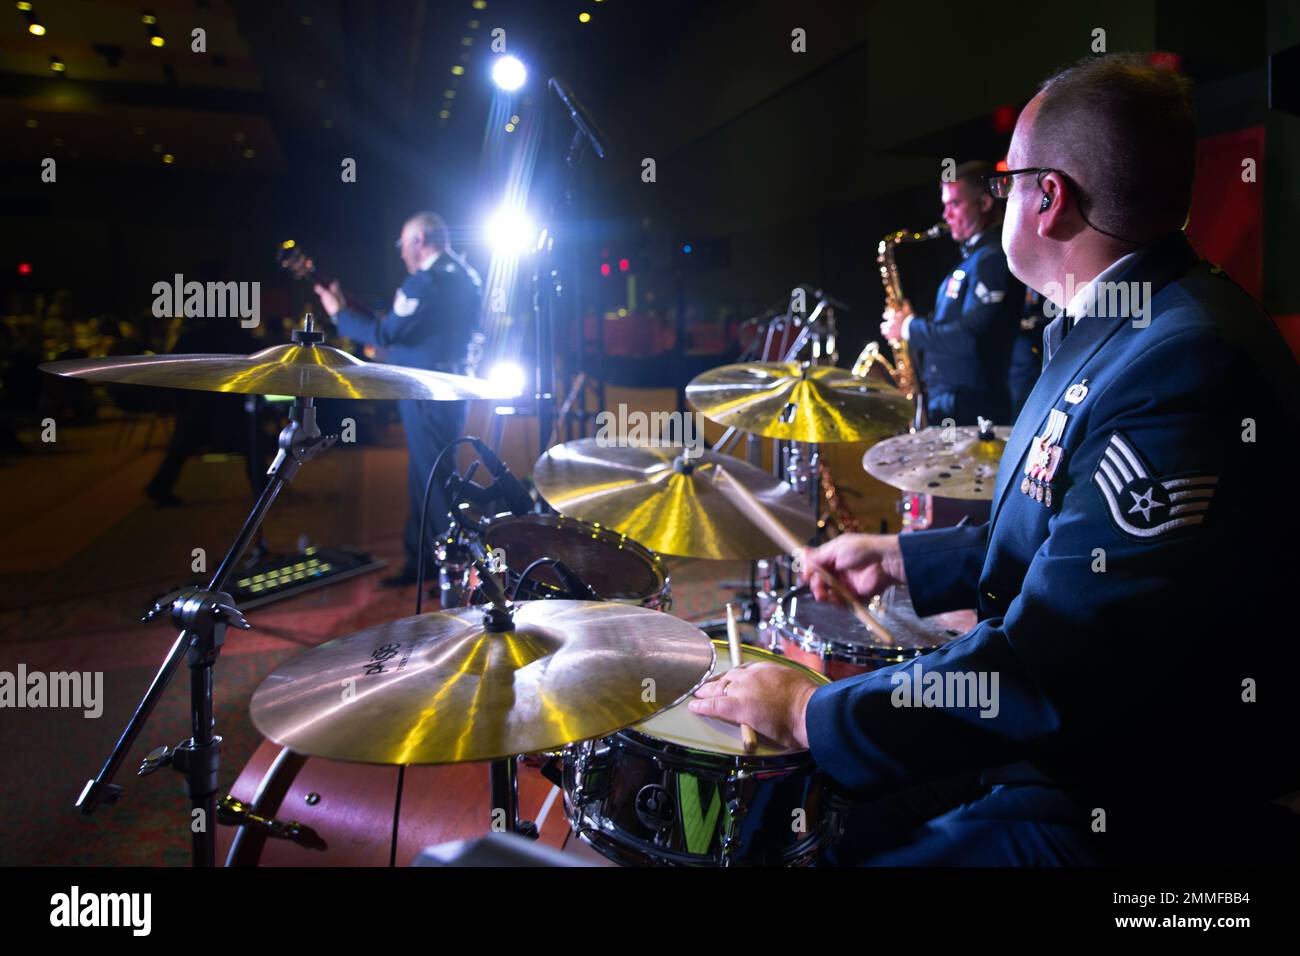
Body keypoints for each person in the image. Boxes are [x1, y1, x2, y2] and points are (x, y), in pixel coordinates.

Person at [690, 53, 1300, 865]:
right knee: (816, 819)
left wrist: (811, 712)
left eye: (1008, 181)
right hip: (1068, 753)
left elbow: (1058, 661)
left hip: (1130, 799)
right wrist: (900, 557)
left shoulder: (1182, 362)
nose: (999, 195)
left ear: (1049, 199)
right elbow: (1070, 542)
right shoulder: (1125, 322)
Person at [315, 211, 482, 588]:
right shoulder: (465, 275)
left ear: (420, 241)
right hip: (450, 386)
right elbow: (424, 334)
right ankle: (422, 559)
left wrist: (339, 312)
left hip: (425, 389)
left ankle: (452, 566)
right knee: (428, 471)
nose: (402, 253)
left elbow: (385, 333)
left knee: (433, 475)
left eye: (403, 244)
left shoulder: (427, 281)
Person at [881, 161, 1025, 427]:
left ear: (984, 203)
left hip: (972, 408)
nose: (946, 215)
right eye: (945, 205)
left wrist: (909, 327)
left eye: (955, 204)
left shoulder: (992, 258)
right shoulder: (973, 260)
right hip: (952, 404)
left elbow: (972, 337)